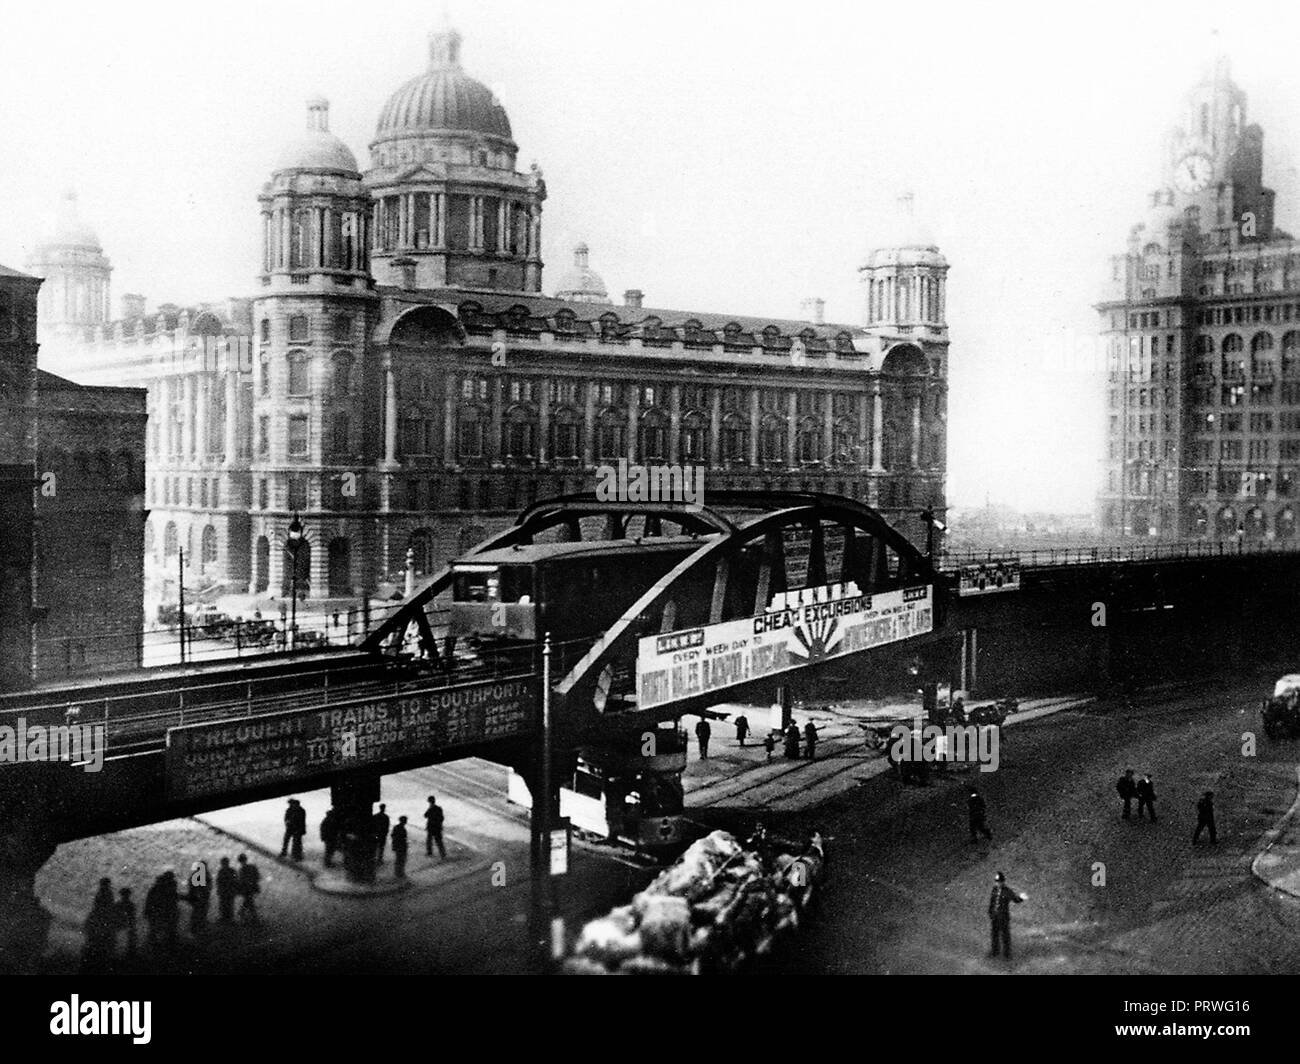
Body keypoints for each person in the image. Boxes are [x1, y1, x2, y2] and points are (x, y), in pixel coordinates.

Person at [987, 871, 1025, 959]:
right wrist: (990, 912)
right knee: (994, 934)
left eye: (999, 882)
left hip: (1003, 917)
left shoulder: (1007, 891)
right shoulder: (994, 889)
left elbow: (1015, 899)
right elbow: (992, 902)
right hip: (995, 917)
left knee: (1005, 936)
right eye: (996, 882)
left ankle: (1007, 954)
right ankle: (995, 951)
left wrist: (1021, 898)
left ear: (1003, 882)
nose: (998, 883)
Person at [82, 877, 117, 970]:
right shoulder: (106, 893)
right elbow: (106, 905)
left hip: (100, 918)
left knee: (98, 940)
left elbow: (101, 905)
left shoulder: (103, 893)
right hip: (102, 918)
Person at [143, 871, 180, 951]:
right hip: (162, 913)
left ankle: (156, 946)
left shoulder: (156, 889)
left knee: (157, 930)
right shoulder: (163, 889)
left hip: (159, 913)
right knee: (161, 930)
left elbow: (149, 901)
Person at [185, 860, 212, 936]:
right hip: (201, 898)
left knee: (197, 914)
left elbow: (191, 886)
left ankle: (195, 930)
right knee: (200, 914)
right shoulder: (205, 874)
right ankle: (198, 931)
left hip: (197, 898)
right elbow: (207, 887)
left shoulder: (195, 874)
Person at [236, 853, 261, 924]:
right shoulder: (252, 867)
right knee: (249, 901)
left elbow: (241, 880)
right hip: (252, 888)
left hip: (247, 889)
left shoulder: (242, 870)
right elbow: (257, 876)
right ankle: (249, 915)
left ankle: (244, 913)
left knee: (249, 901)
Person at [115, 887, 137, 959]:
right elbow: (133, 916)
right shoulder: (131, 905)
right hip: (127, 924)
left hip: (121, 924)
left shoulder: (118, 905)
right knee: (130, 938)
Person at [215, 857, 238, 922]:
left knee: (223, 904)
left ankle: (224, 918)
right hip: (230, 891)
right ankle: (229, 918)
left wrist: (219, 890)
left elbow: (218, 882)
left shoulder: (221, 871)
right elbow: (235, 880)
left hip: (223, 891)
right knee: (230, 904)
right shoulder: (232, 870)